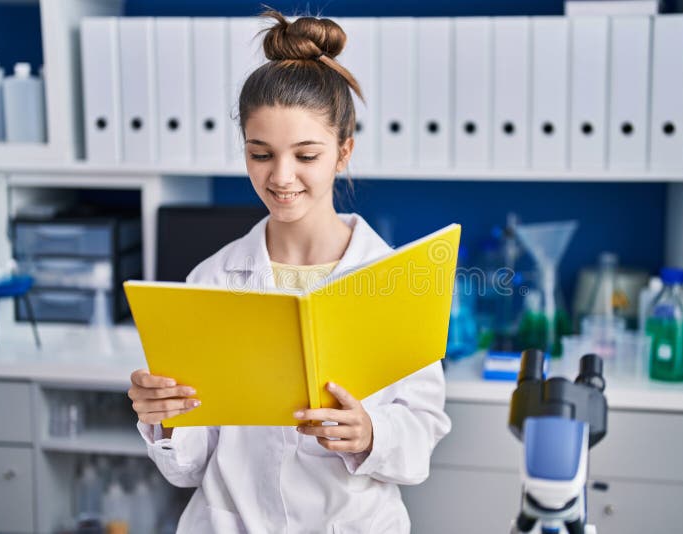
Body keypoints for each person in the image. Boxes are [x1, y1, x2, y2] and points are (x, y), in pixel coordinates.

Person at [127, 10, 451, 533]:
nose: (281, 177)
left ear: (343, 152)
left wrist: (371, 434)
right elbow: (186, 467)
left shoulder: (395, 278)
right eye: (261, 154)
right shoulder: (211, 281)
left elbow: (423, 431)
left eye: (306, 155)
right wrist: (162, 416)